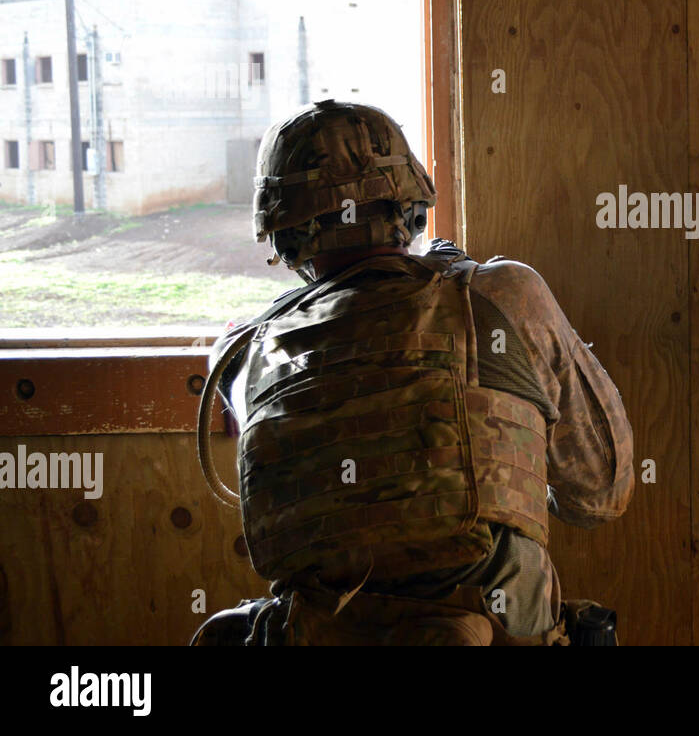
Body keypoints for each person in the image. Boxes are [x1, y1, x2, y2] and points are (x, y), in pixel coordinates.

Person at [192, 98, 633, 645]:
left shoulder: (242, 353)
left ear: (283, 237)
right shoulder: (502, 296)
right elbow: (599, 494)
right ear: (413, 207)